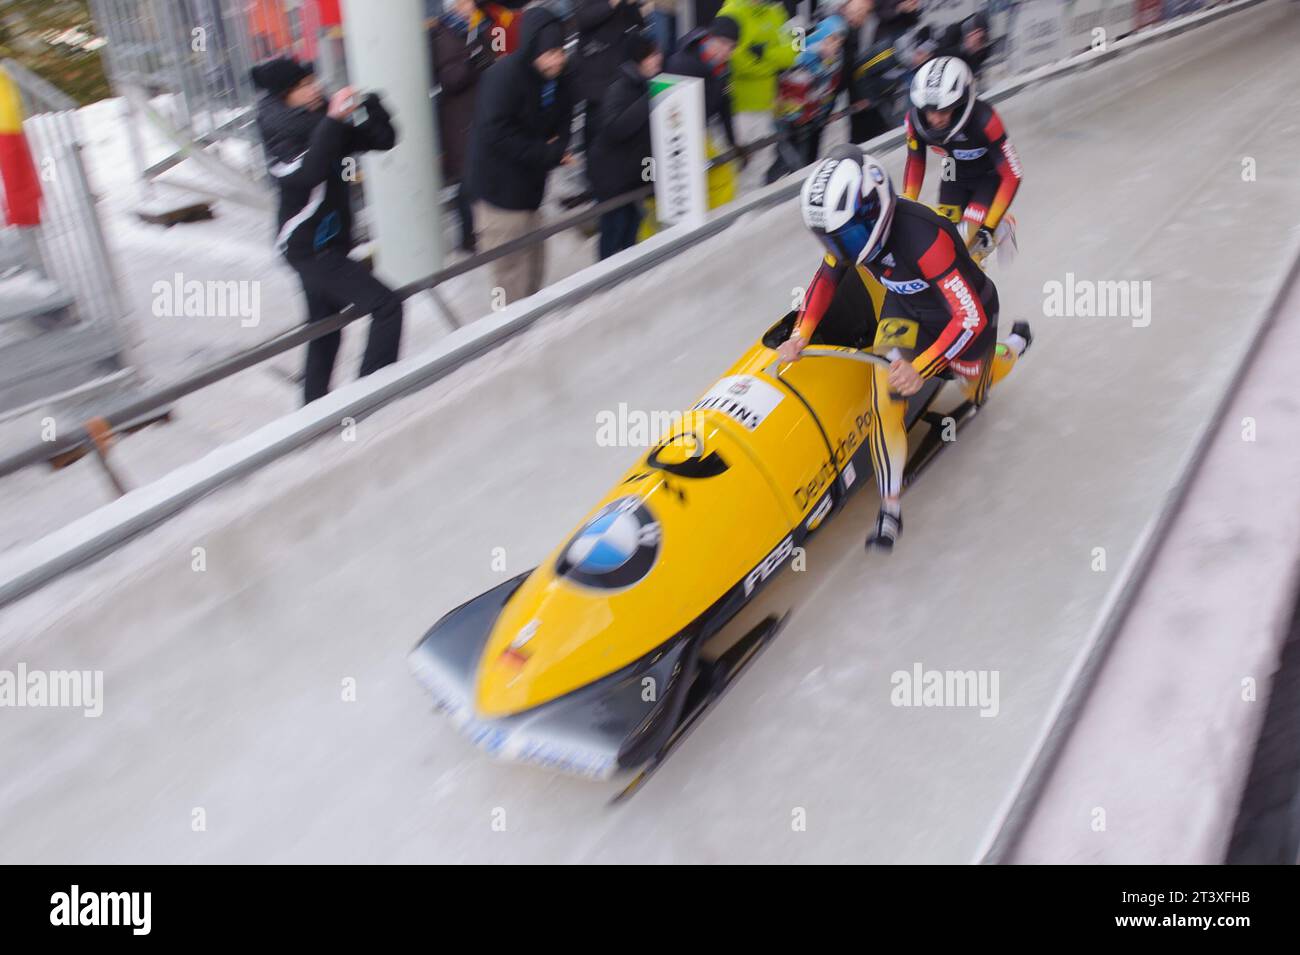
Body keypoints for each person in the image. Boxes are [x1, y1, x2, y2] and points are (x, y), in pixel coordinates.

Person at [778, 144, 1031, 549]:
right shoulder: (848, 238)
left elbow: (968, 318)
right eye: (832, 239)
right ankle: (890, 508)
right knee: (885, 399)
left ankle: (1015, 345)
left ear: (873, 210)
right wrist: (800, 334)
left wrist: (925, 364)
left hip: (965, 314)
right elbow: (826, 279)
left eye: (846, 237)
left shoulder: (923, 240)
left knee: (975, 386)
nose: (842, 249)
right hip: (906, 309)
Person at [252, 57, 403, 405]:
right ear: (285, 96)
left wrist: (372, 105)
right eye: (305, 86)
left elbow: (382, 140)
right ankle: (371, 398)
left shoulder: (319, 123)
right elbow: (309, 173)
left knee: (325, 328)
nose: (315, 89)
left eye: (313, 82)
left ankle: (313, 412)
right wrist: (334, 120)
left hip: (331, 243)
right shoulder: (279, 137)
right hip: (306, 249)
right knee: (386, 305)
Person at [465, 5, 576, 306]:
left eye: (560, 51)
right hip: (498, 197)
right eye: (550, 53)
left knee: (534, 271)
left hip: (530, 192)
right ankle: (508, 341)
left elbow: (565, 116)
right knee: (510, 279)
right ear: (532, 50)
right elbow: (496, 134)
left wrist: (558, 145)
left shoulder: (559, 77)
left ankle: (530, 329)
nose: (557, 59)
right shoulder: (503, 78)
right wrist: (547, 151)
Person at [901, 55, 1022, 263]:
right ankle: (997, 228)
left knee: (964, 248)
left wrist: (989, 225)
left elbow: (1013, 174)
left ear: (960, 103)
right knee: (945, 237)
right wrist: (906, 204)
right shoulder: (913, 122)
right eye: (929, 111)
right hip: (951, 171)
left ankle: (999, 228)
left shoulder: (986, 120)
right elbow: (915, 162)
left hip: (988, 177)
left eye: (944, 111)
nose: (935, 119)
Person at [428, 0, 497, 253]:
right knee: (468, 182)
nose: (472, 5)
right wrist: (473, 59)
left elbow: (491, 62)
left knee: (482, 175)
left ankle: (483, 229)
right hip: (459, 121)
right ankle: (468, 237)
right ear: (453, 6)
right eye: (466, 1)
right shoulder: (443, 35)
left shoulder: (477, 28)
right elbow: (450, 80)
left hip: (480, 112)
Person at [588, 34, 662, 259]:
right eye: (652, 54)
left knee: (631, 229)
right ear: (639, 59)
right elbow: (615, 128)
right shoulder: (621, 88)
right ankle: (604, 282)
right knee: (614, 230)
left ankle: (625, 280)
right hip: (611, 180)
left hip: (630, 178)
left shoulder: (646, 85)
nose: (658, 59)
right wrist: (649, 99)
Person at [716, 0, 798, 191]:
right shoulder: (731, 11)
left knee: (761, 166)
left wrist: (764, 53)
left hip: (766, 106)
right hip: (738, 109)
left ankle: (751, 217)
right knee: (733, 170)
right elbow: (738, 62)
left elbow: (795, 51)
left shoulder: (777, 11)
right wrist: (772, 65)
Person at [768, 15, 845, 182]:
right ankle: (768, 189)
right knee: (787, 160)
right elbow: (783, 83)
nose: (833, 46)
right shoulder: (802, 53)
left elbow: (827, 90)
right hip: (788, 119)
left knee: (803, 161)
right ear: (821, 37)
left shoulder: (834, 61)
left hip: (811, 118)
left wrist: (823, 112)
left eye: (838, 42)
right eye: (830, 40)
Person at [575, 0, 646, 151]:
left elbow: (638, 23)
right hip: (596, 72)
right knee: (596, 130)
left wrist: (631, 6)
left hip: (620, 70)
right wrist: (612, 3)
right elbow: (582, 19)